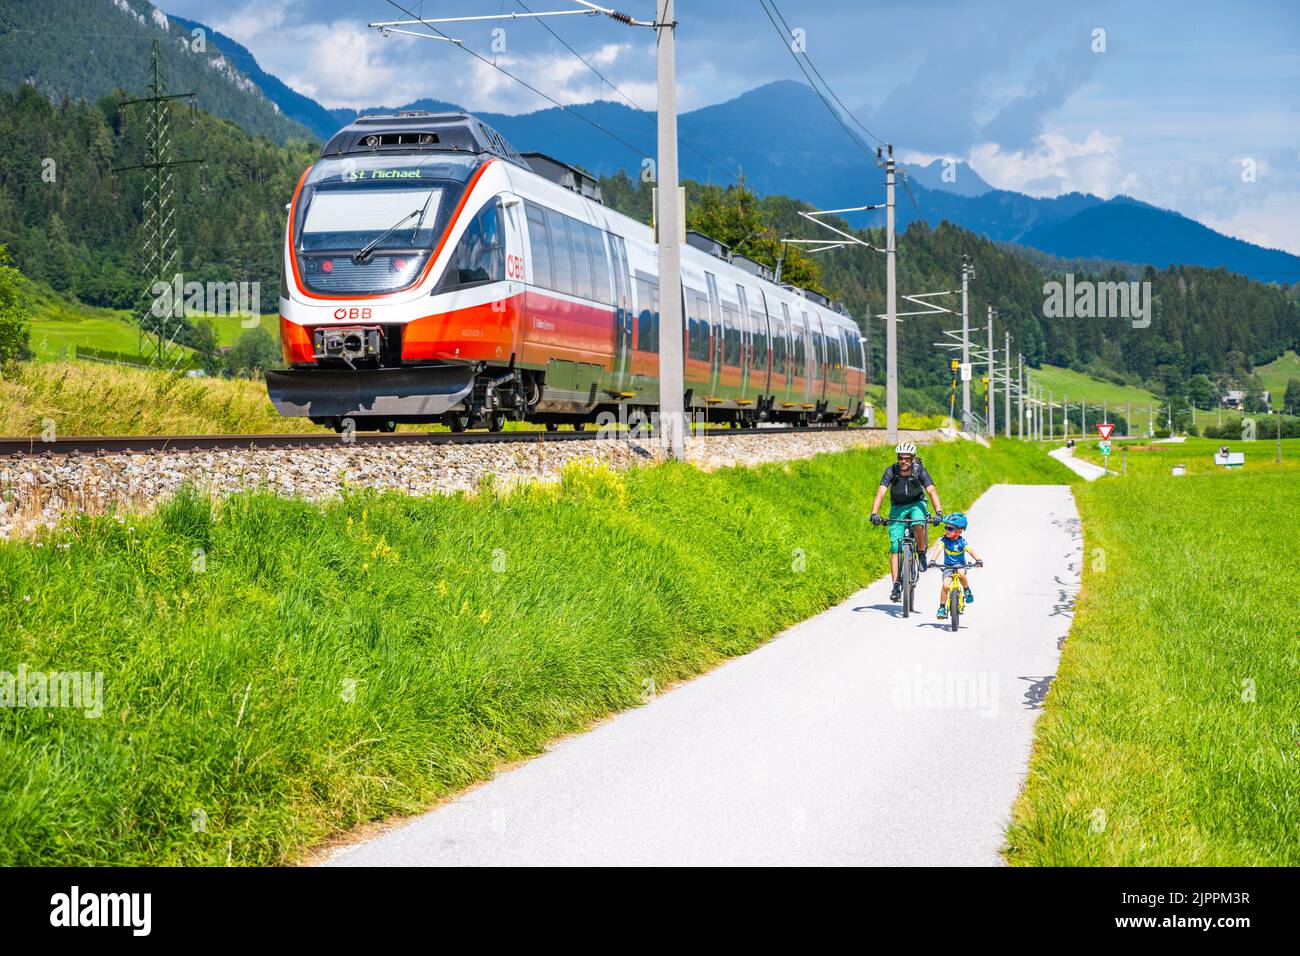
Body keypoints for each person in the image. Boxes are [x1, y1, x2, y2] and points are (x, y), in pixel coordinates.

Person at [869, 442, 944, 602]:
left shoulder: (919, 470)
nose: (903, 461)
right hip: (897, 506)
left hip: (917, 503)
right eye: (900, 458)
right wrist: (874, 512)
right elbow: (881, 493)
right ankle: (896, 585)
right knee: (895, 547)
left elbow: (931, 491)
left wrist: (938, 512)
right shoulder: (891, 471)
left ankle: (922, 552)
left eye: (907, 458)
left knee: (918, 522)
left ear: (913, 458)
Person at [934, 512, 981, 619]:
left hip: (960, 565)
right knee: (945, 585)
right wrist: (933, 560)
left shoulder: (961, 542)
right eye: (946, 528)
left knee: (961, 575)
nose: (946, 531)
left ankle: (966, 589)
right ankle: (942, 608)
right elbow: (938, 549)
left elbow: (970, 551)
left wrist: (978, 560)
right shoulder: (944, 540)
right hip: (948, 566)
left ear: (959, 531)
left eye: (950, 529)